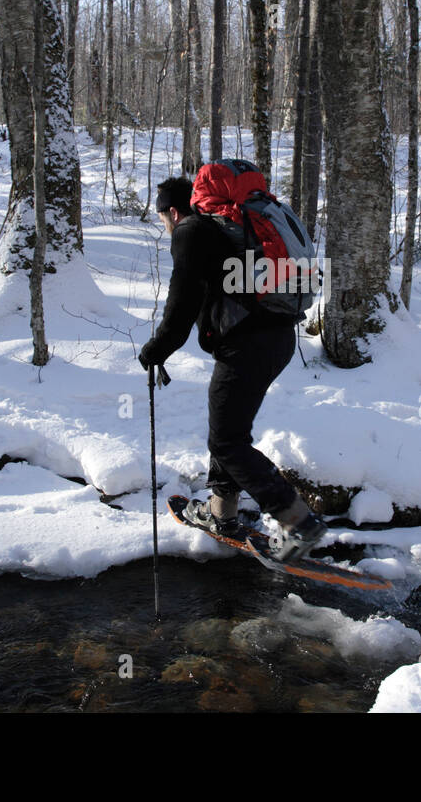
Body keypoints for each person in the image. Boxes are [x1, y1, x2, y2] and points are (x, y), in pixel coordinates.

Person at [138, 175, 328, 562]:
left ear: (172, 212)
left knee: (226, 440)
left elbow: (182, 304)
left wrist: (157, 350)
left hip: (249, 346)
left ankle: (299, 523)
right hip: (274, 340)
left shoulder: (191, 231)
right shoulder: (226, 230)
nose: (166, 226)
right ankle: (221, 514)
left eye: (163, 219)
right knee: (227, 430)